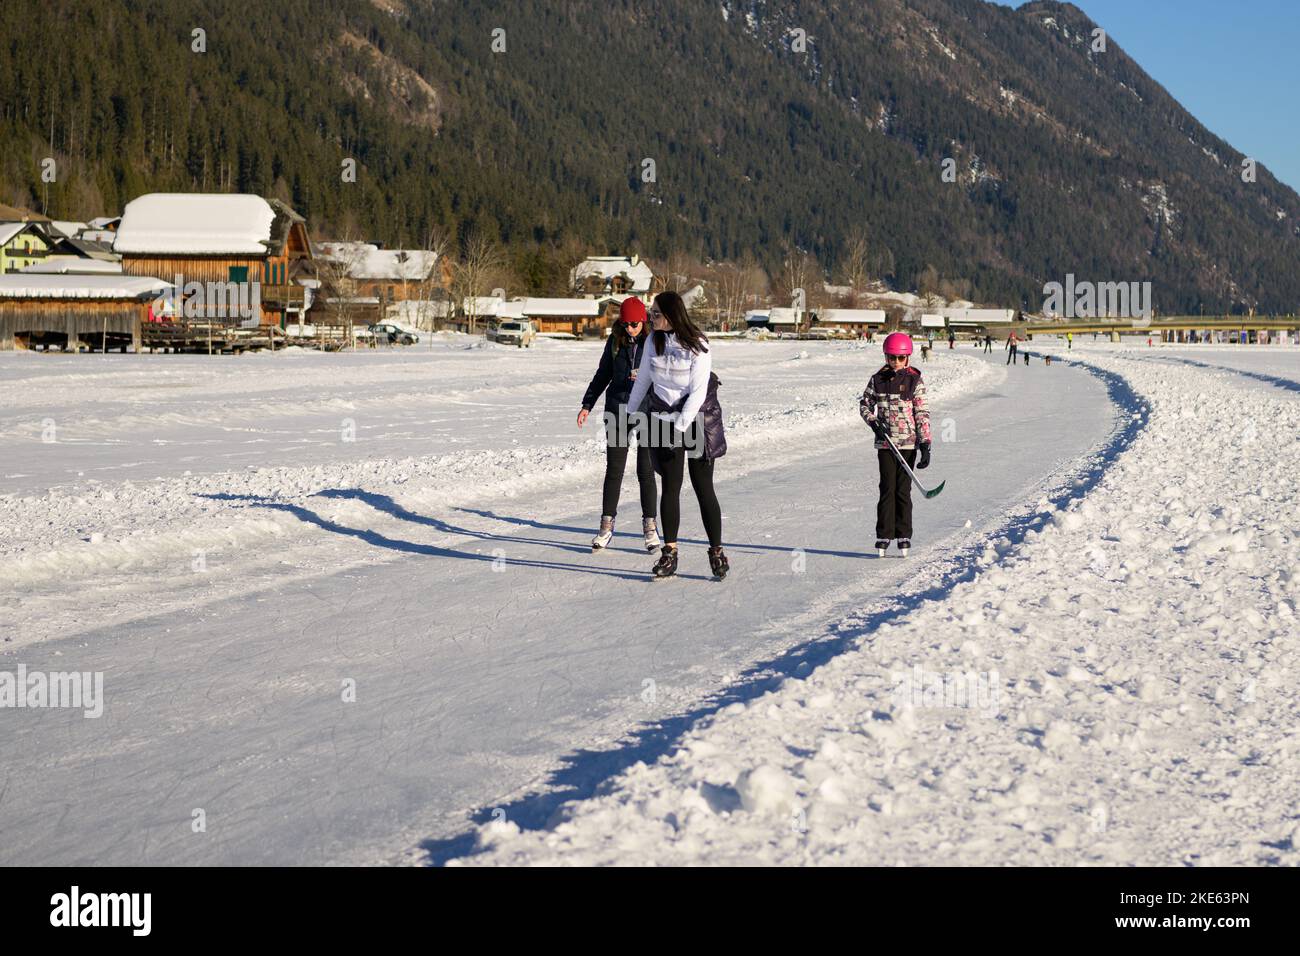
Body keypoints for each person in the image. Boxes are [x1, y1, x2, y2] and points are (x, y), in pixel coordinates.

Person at [625, 291, 729, 580]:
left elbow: (697, 392)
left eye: (655, 314)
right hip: (662, 416)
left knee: (702, 487)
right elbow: (643, 380)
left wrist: (679, 427)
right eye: (651, 313)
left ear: (671, 315)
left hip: (697, 419)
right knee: (670, 487)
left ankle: (716, 552)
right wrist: (629, 416)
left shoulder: (698, 345)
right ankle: (669, 554)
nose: (650, 317)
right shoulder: (652, 341)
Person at [579, 298, 660, 552]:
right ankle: (606, 526)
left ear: (643, 321)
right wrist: (587, 404)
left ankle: (650, 527)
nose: (629, 329)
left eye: (634, 324)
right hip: (617, 409)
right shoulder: (615, 342)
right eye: (625, 324)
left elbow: (668, 375)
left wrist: (645, 378)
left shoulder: (655, 342)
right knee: (614, 469)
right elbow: (602, 374)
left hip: (648, 410)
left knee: (645, 471)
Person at [860, 333, 932, 558]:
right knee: (886, 489)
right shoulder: (877, 379)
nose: (896, 362)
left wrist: (925, 443)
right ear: (886, 356)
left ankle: (903, 534)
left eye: (900, 358)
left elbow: (921, 412)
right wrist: (873, 422)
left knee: (903, 491)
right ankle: (884, 534)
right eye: (892, 357)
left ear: (908, 357)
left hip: (908, 444)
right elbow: (864, 404)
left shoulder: (914, 381)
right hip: (885, 444)